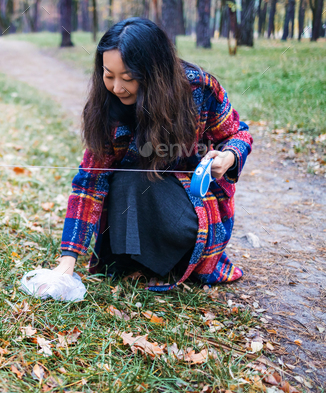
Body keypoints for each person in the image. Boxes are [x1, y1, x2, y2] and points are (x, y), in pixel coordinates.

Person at [52, 17, 253, 291]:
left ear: (154, 72)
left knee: (140, 177)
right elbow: (89, 182)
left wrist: (228, 157)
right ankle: (136, 262)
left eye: (128, 78)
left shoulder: (199, 90)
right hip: (137, 206)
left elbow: (237, 134)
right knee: (125, 177)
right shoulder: (107, 107)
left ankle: (175, 261)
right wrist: (68, 259)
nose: (116, 87)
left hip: (192, 209)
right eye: (108, 75)